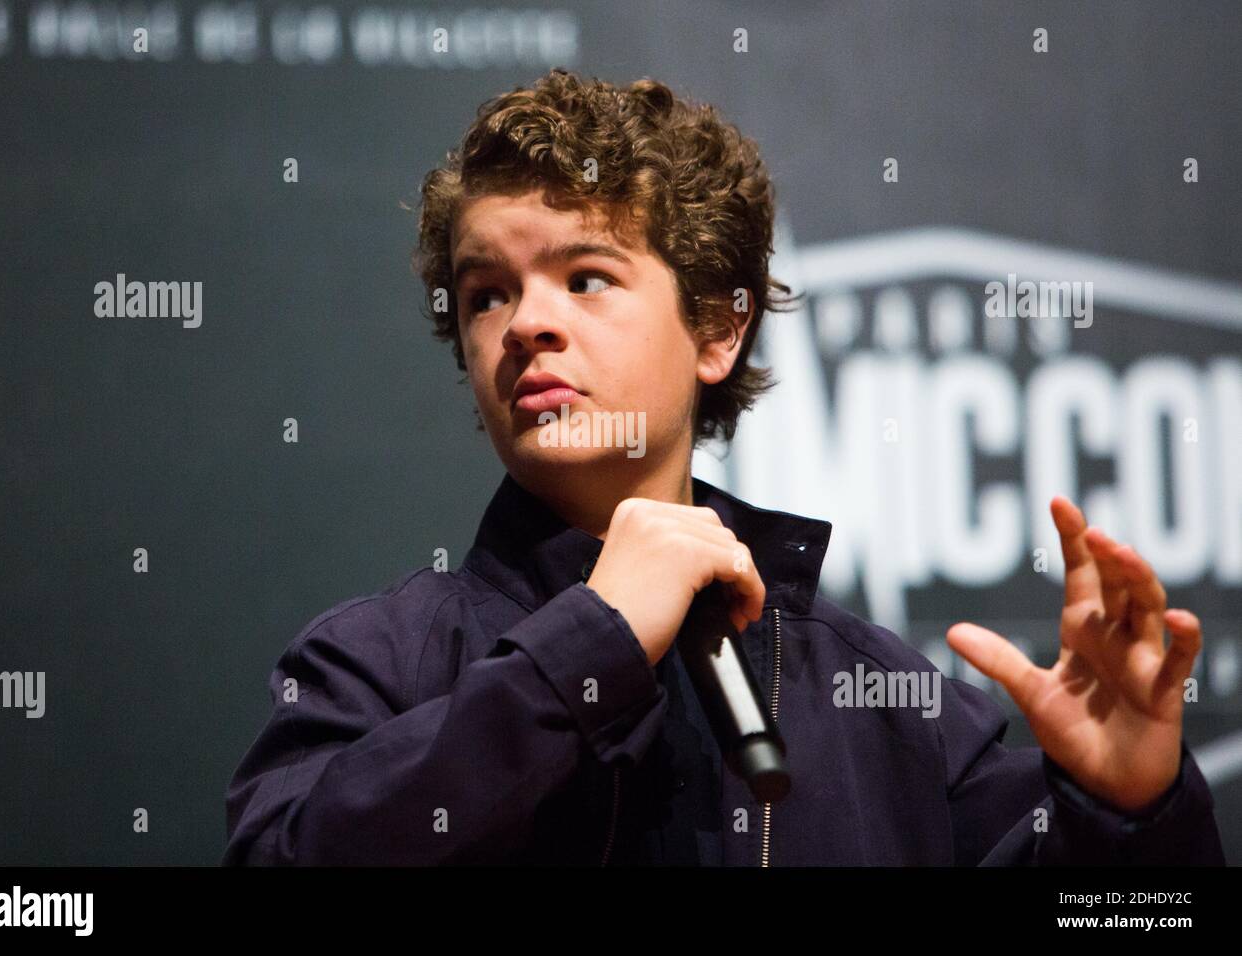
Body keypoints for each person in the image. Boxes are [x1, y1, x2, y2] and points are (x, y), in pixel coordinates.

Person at [222, 68, 1225, 865]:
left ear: (714, 327)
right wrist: (590, 642)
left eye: (584, 277)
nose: (526, 323)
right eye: (486, 293)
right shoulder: (370, 664)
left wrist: (1130, 810)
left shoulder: (886, 702)